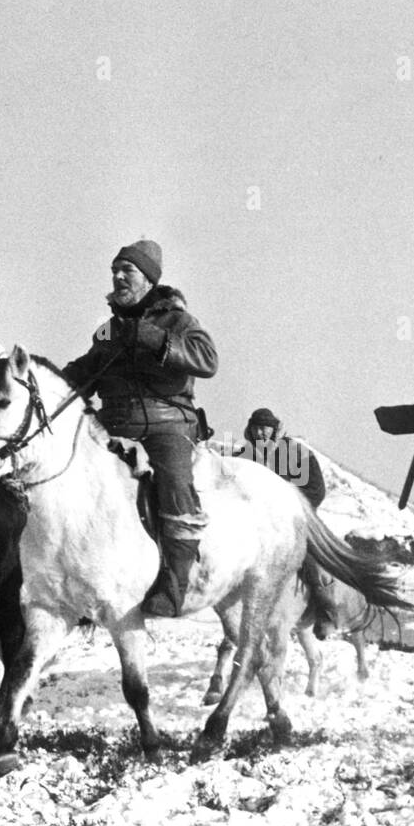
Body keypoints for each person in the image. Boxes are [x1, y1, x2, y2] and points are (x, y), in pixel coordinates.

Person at [62, 239, 217, 616]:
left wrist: (157, 339)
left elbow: (207, 359)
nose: (117, 277)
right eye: (114, 270)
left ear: (148, 279)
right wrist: (50, 382)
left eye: (126, 270)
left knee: (175, 486)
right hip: (112, 425)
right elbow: (88, 368)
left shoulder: (179, 320)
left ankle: (174, 584)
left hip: (166, 426)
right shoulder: (108, 331)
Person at [234, 407, 334, 630]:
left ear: (274, 428)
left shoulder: (295, 452)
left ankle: (324, 607)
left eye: (265, 428)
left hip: (293, 518)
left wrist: (290, 508)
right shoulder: (243, 455)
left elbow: (316, 489)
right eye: (257, 428)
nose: (261, 433)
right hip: (256, 521)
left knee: (309, 554)